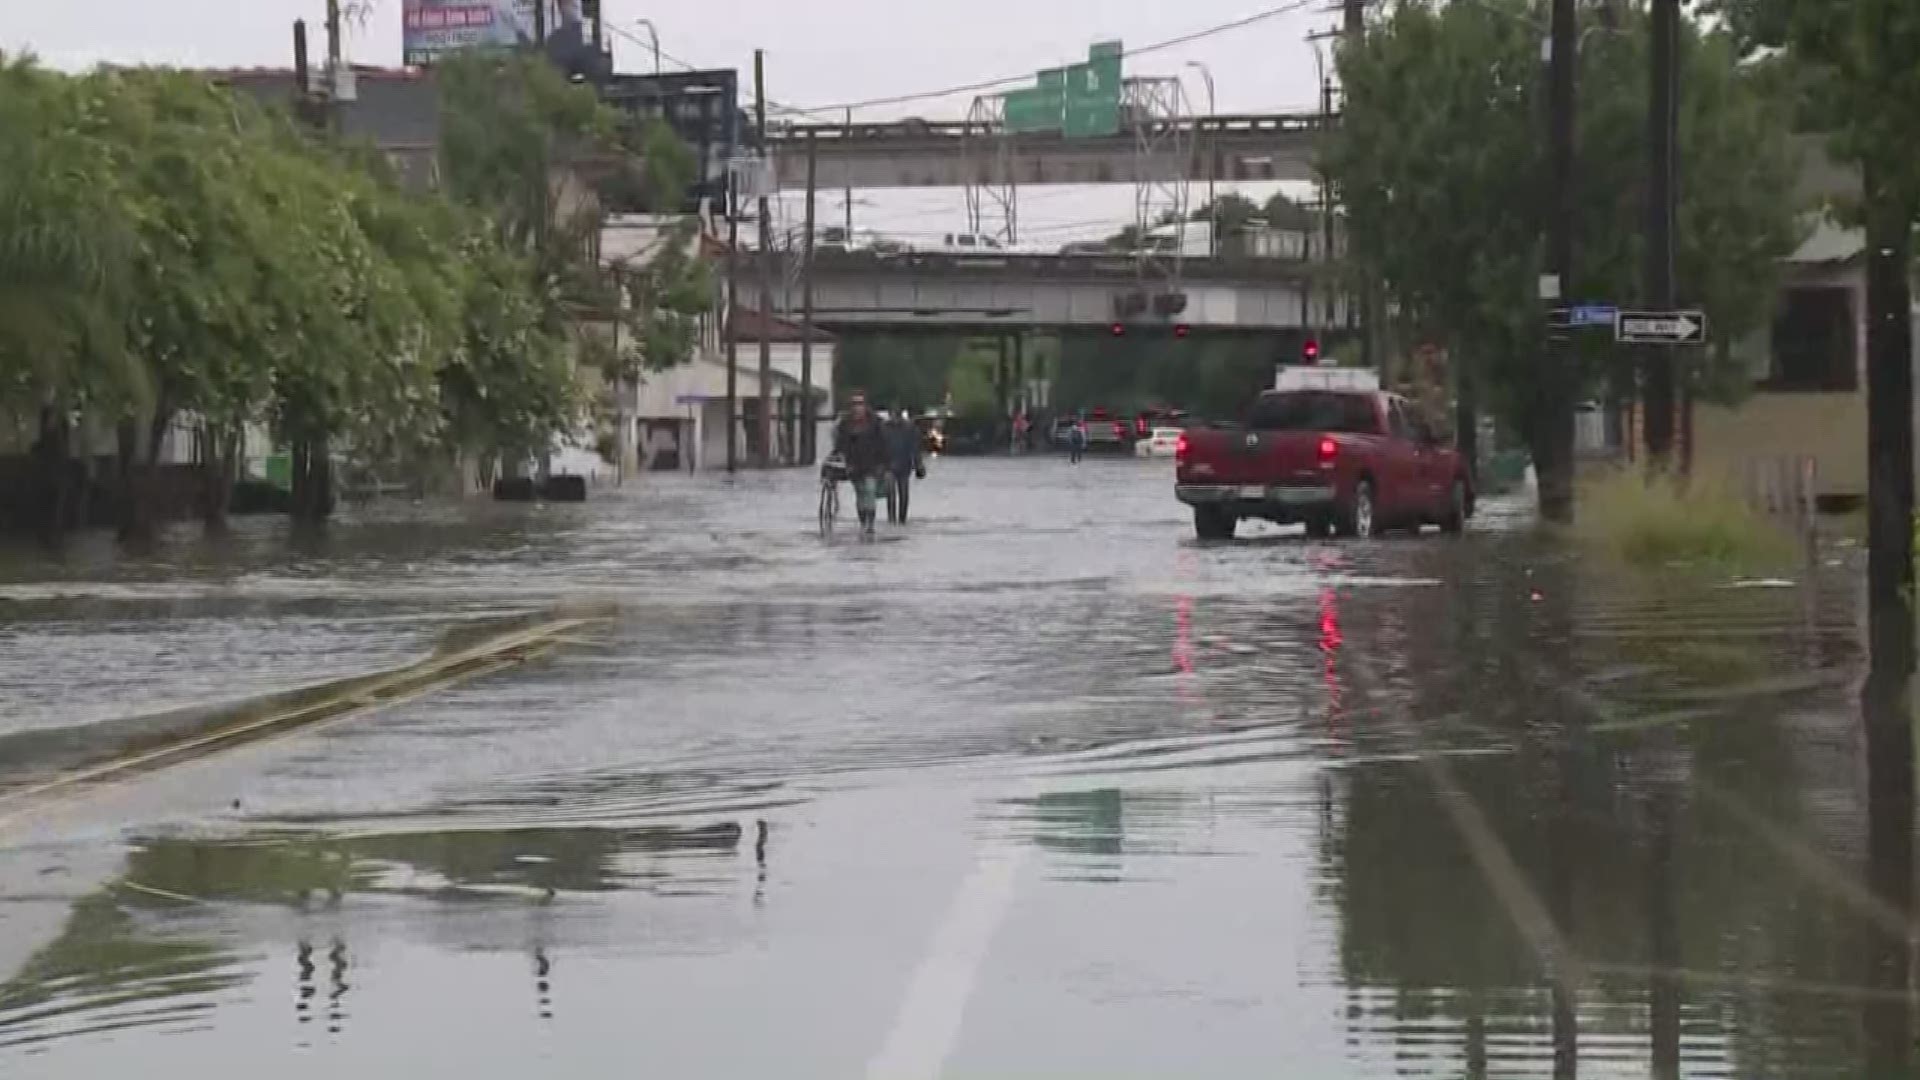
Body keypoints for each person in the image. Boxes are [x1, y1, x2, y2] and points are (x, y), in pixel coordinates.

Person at [833, 393, 888, 534]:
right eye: (855, 405)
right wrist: (841, 457)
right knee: (860, 493)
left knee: (869, 490)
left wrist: (883, 463)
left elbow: (883, 443)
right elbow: (840, 444)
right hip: (854, 464)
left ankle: (870, 522)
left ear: (865, 406)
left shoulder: (875, 423)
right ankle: (863, 521)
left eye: (860, 404)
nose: (857, 408)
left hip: (872, 463)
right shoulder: (845, 424)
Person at [884, 406, 926, 524]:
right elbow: (878, 446)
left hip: (904, 465)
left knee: (903, 494)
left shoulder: (910, 428)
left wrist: (919, 465)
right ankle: (891, 519)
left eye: (895, 415)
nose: (893, 418)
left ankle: (902, 519)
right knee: (890, 492)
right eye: (891, 415)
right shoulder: (884, 428)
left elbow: (915, 448)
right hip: (888, 465)